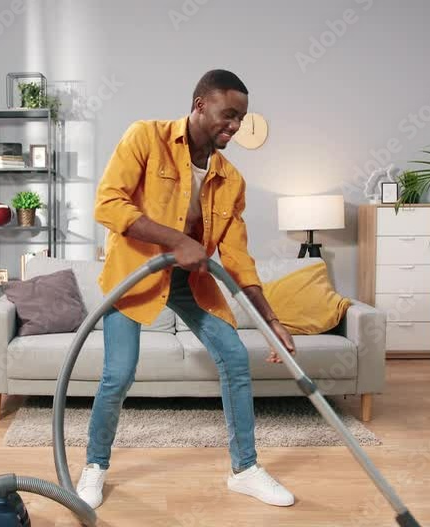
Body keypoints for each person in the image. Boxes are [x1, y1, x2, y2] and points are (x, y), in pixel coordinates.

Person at [78, 69, 296, 509]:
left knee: (235, 357)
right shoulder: (146, 137)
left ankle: (245, 469)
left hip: (191, 283)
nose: (234, 126)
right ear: (199, 104)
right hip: (136, 274)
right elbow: (107, 203)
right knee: (119, 374)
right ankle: (95, 466)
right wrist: (177, 240)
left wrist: (271, 321)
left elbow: (236, 259)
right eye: (228, 114)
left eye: (241, 118)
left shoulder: (231, 179)